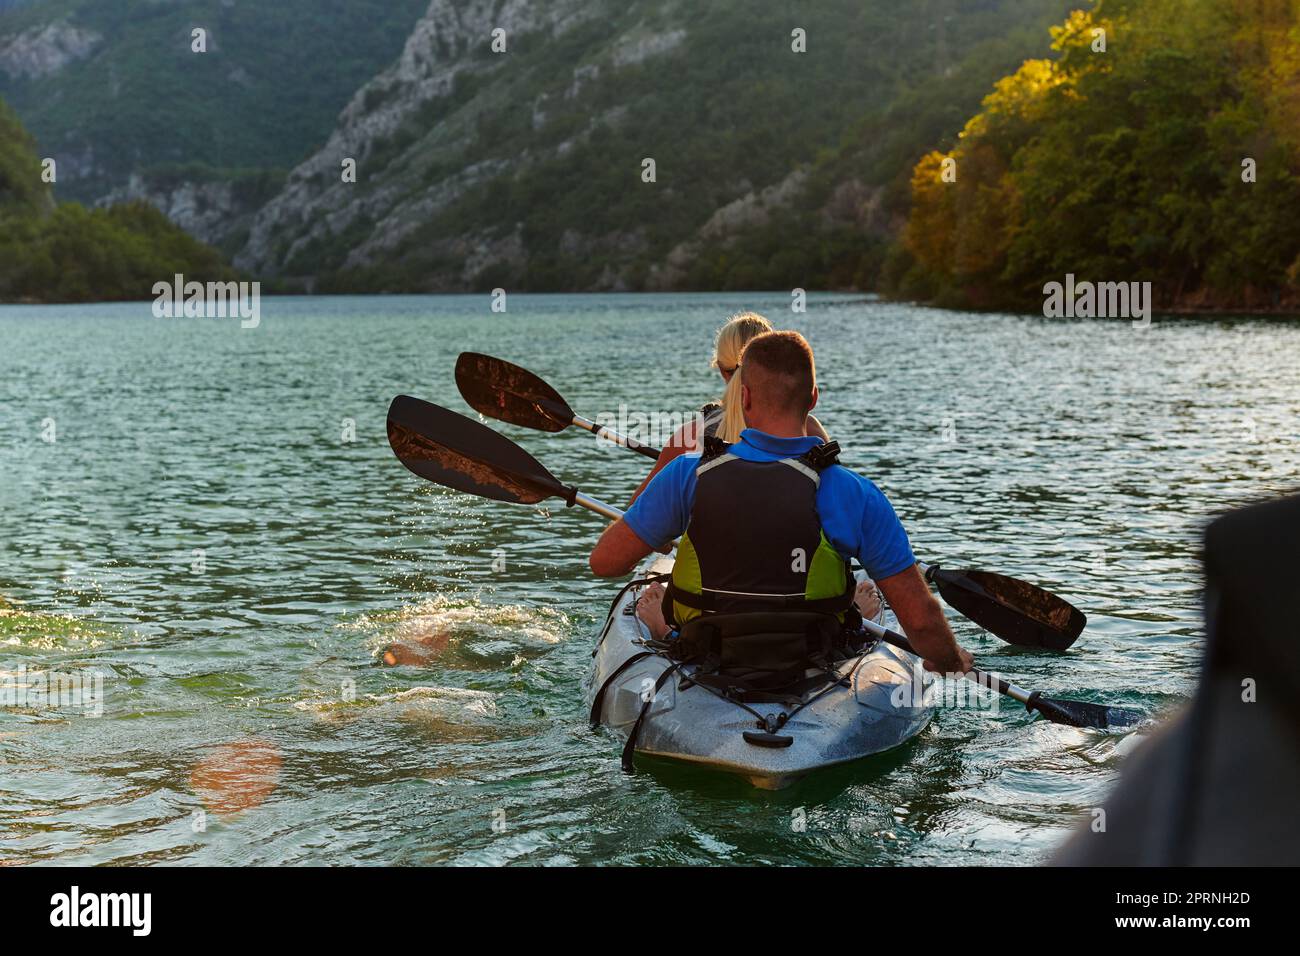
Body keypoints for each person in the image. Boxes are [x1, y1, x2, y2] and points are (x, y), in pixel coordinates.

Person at [590, 330, 974, 676]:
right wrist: (949, 659)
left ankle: (664, 626)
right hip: (814, 653)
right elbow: (921, 622)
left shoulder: (686, 475)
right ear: (813, 398)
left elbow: (605, 562)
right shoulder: (854, 492)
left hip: (705, 646)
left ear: (743, 397)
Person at [628, 313, 878, 625]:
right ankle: (851, 612)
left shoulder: (690, 436)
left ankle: (665, 629)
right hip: (798, 585)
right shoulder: (809, 430)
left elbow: (643, 529)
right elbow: (836, 514)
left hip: (714, 594)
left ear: (721, 370)